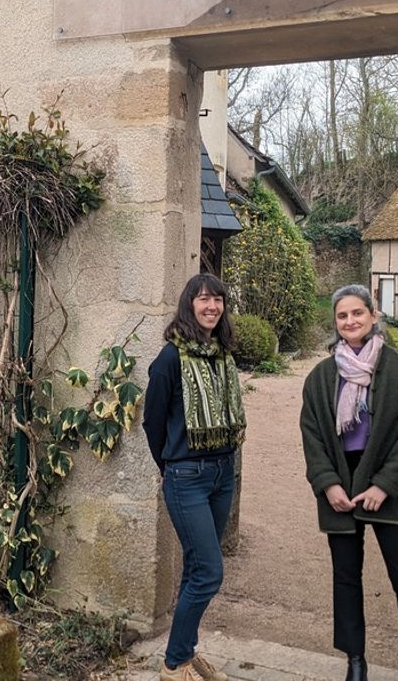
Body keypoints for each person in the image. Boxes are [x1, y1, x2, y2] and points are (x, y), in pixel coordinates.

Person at [299, 284, 398, 681]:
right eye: (342, 316)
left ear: (374, 316)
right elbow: (313, 436)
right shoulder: (321, 377)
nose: (350, 321)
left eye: (357, 313)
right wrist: (328, 485)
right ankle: (355, 661)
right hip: (341, 482)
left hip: (386, 483)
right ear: (335, 322)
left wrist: (384, 485)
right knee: (346, 577)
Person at [143, 273, 246, 681]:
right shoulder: (170, 359)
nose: (211, 306)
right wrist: (169, 468)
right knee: (210, 571)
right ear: (189, 305)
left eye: (218, 300)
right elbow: (153, 423)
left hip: (222, 473)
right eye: (203, 300)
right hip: (187, 475)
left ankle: (183, 652)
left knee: (194, 568)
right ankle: (173, 667)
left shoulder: (223, 355)